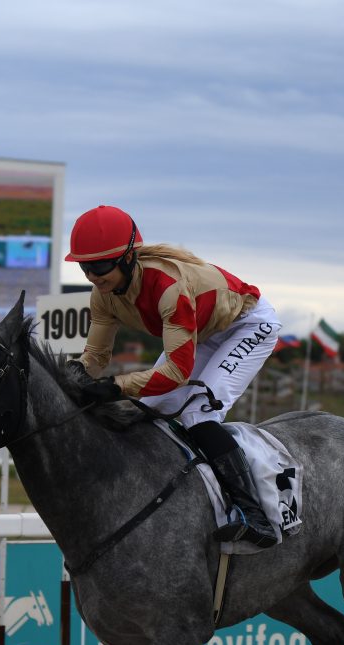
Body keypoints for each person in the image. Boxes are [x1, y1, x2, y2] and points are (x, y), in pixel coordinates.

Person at [64, 205, 282, 549]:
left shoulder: (168, 288)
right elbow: (96, 357)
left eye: (101, 266)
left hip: (246, 325)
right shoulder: (102, 295)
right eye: (84, 266)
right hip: (201, 331)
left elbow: (177, 374)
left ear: (127, 258)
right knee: (143, 409)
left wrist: (116, 386)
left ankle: (254, 514)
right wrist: (73, 373)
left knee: (198, 412)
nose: (93, 275)